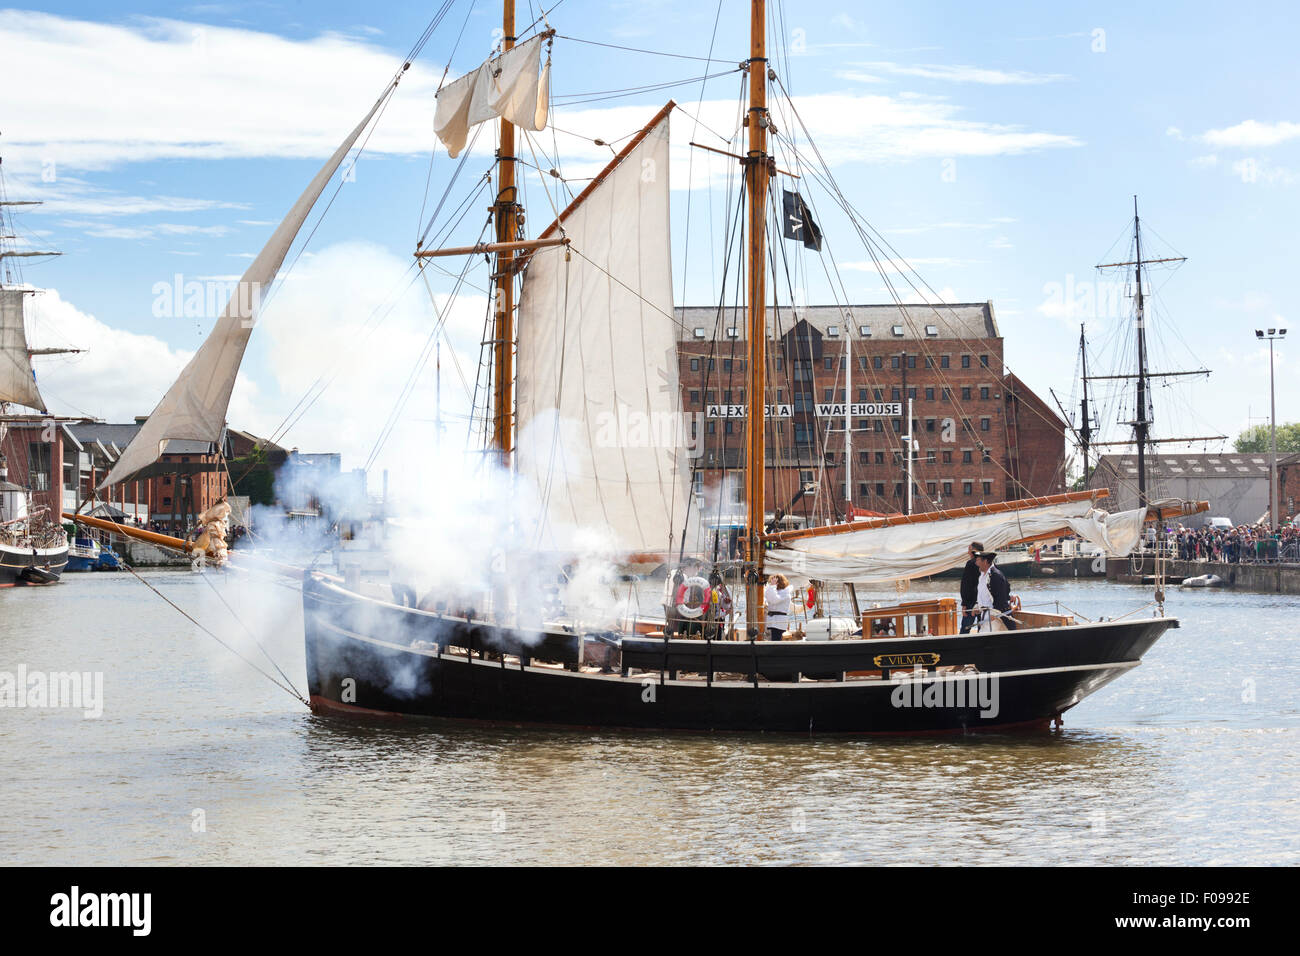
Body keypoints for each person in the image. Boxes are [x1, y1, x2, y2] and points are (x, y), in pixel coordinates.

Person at [975, 552, 1016, 631]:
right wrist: (977, 607)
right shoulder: (982, 576)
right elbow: (982, 595)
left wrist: (994, 614)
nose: (976, 563)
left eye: (978, 560)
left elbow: (1001, 597)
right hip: (986, 615)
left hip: (995, 616)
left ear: (985, 561)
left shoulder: (995, 575)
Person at [959, 541, 984, 633]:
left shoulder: (970, 564)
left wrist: (964, 604)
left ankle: (962, 646)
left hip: (971, 602)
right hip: (983, 601)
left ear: (975, 551)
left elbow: (966, 585)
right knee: (983, 628)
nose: (968, 552)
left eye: (970, 550)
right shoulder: (988, 564)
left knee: (965, 629)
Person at [764, 573, 792, 641]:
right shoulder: (773, 591)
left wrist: (772, 586)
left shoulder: (785, 593)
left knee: (776, 639)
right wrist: (771, 587)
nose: (772, 583)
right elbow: (767, 596)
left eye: (774, 581)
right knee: (770, 639)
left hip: (779, 622)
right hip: (771, 621)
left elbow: (774, 600)